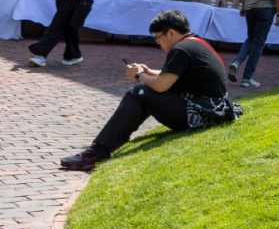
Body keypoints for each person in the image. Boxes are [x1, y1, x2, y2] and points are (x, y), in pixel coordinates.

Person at [59, 10, 242, 171]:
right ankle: (110, 142)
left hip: (200, 116)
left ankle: (99, 151)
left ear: (171, 33)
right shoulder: (196, 43)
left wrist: (139, 75)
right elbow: (174, 76)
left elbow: (161, 85)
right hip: (212, 111)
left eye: (158, 38)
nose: (158, 43)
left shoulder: (181, 49)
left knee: (139, 92)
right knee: (144, 91)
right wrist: (148, 72)